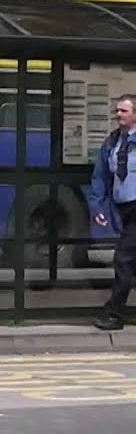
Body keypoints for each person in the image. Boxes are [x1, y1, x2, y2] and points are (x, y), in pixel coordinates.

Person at [89, 94, 136, 331]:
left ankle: (114, 313)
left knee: (124, 260)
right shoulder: (112, 142)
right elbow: (100, 176)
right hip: (122, 208)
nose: (118, 115)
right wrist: (97, 205)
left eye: (124, 111)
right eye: (117, 111)